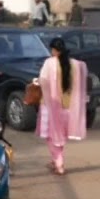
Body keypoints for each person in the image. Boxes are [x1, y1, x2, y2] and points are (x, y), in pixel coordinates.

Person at [36, 36, 89, 175]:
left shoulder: (49, 63)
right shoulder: (76, 64)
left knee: (51, 135)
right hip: (69, 105)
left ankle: (59, 163)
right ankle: (55, 160)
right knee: (60, 135)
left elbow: (43, 80)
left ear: (54, 50)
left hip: (51, 104)